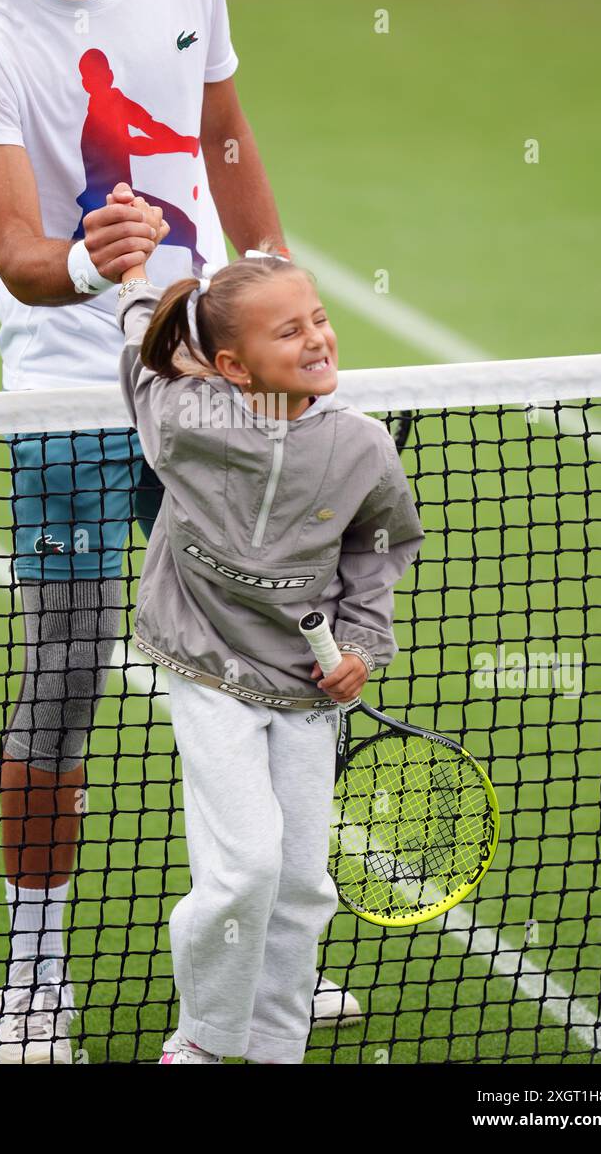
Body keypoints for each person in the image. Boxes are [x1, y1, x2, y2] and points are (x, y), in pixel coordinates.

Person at [0, 0, 355, 1062]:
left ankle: (275, 964)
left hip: (217, 377)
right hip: (68, 394)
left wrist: (276, 287)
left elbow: (218, 130)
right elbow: (14, 253)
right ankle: (36, 983)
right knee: (64, 681)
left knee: (276, 659)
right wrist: (85, 255)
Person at [113, 226, 425, 1064]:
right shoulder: (185, 421)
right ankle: (205, 1043)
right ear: (233, 366)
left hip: (305, 689)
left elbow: (379, 544)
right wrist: (137, 277)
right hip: (208, 668)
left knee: (299, 881)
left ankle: (277, 1042)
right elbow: (144, 363)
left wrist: (361, 639)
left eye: (317, 319)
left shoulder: (362, 444)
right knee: (244, 868)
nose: (317, 338)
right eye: (288, 332)